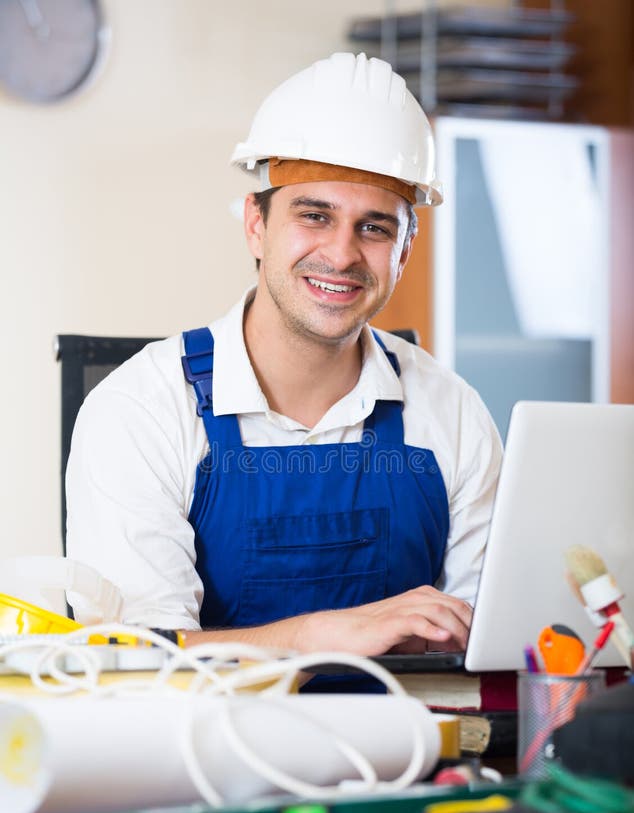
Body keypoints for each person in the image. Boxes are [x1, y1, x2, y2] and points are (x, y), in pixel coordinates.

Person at [66, 52, 502, 658]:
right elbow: (137, 662)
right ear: (256, 225)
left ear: (404, 251)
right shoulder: (139, 410)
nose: (342, 255)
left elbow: (488, 648)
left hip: (413, 721)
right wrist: (314, 638)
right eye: (314, 216)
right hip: (207, 724)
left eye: (375, 228)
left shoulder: (453, 413)